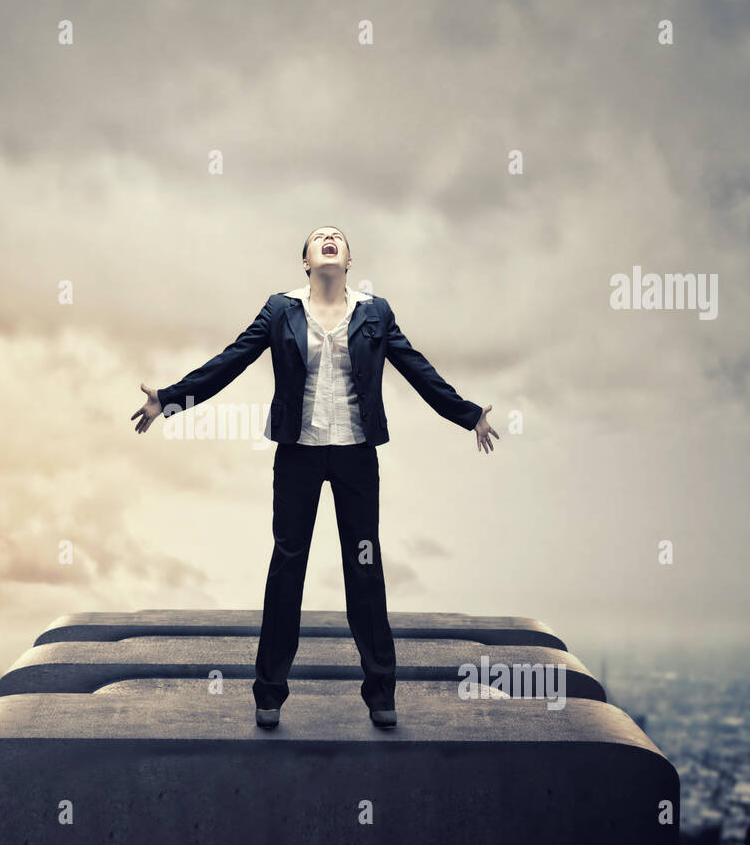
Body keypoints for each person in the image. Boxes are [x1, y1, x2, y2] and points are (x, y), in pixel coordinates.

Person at [131, 226, 498, 729]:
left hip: (355, 455)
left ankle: (382, 692)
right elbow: (231, 360)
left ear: (348, 261)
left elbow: (417, 368)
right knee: (287, 567)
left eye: (337, 238)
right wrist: (169, 399)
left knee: (364, 569)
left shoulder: (376, 312)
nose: (329, 239)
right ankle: (269, 693)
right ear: (306, 262)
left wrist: (468, 413)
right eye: (318, 238)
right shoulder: (280, 309)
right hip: (298, 454)